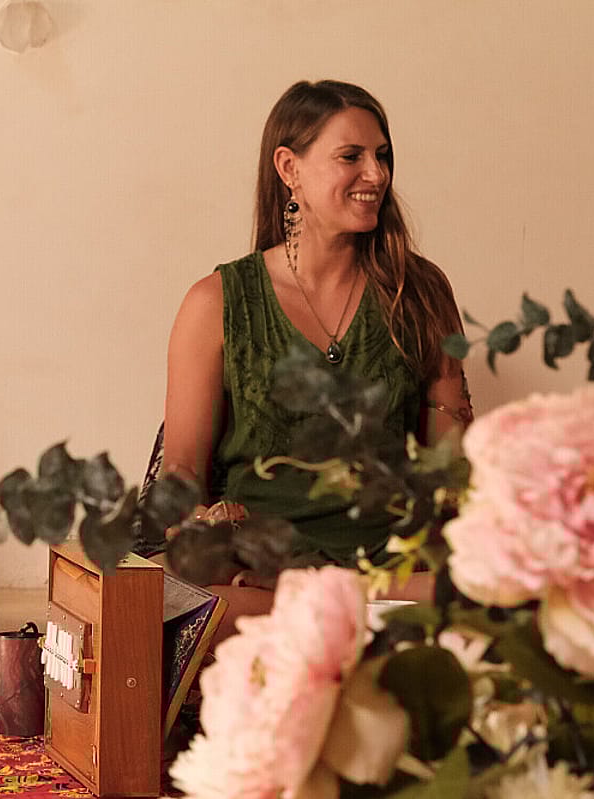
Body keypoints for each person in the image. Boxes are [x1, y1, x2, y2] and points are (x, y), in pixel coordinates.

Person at [160, 80, 472, 628]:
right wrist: (199, 527)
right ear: (290, 168)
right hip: (258, 575)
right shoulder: (216, 302)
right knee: (174, 606)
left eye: (382, 156)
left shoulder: (420, 292)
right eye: (351, 156)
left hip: (393, 573)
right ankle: (324, 603)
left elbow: (450, 471)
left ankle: (327, 596)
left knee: (499, 592)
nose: (376, 174)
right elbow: (182, 468)